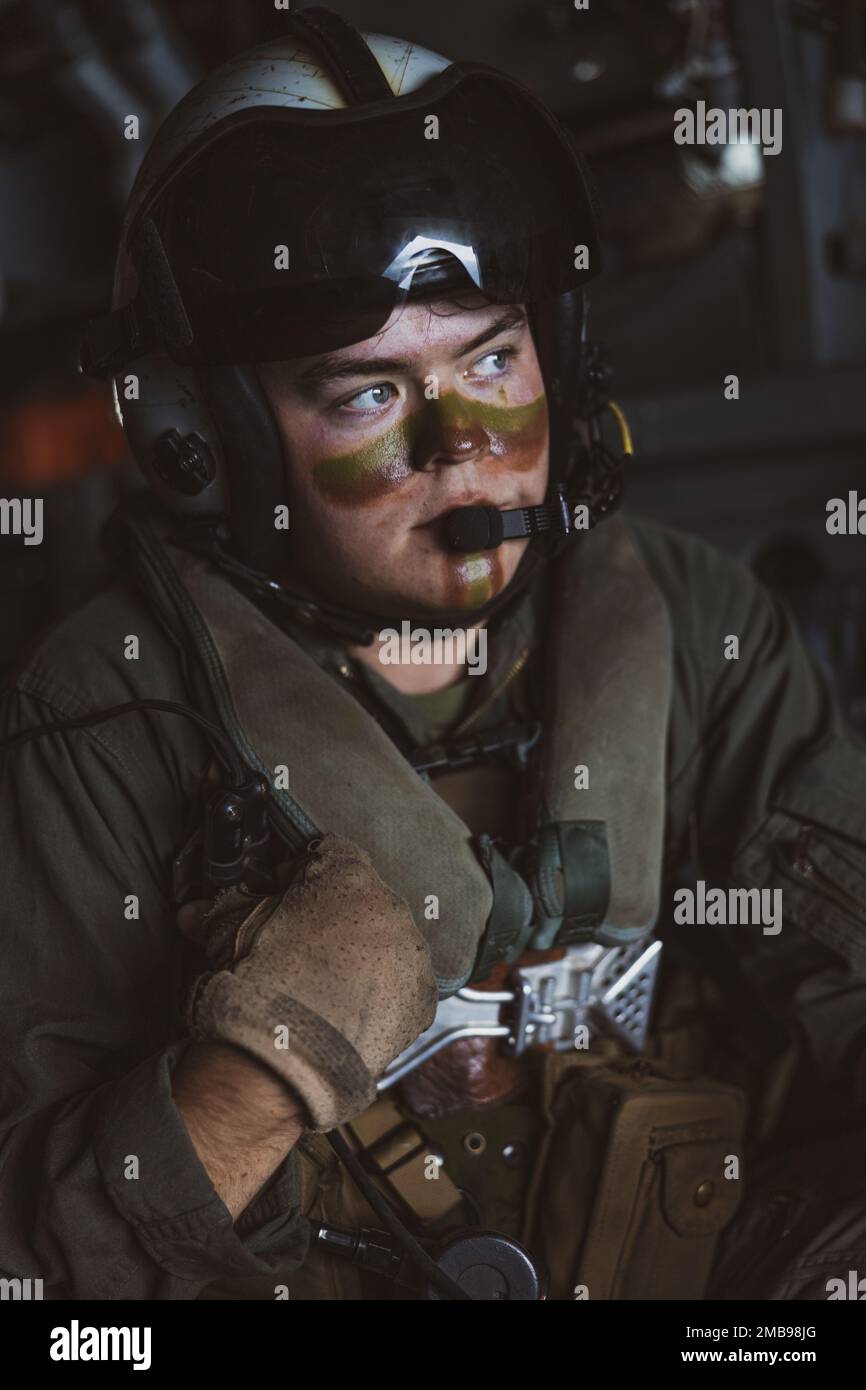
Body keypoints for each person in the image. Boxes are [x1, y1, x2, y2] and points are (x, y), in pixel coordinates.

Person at [2, 7, 865, 1302]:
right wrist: (261, 1074)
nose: (461, 445)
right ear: (208, 439)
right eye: (369, 392)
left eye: (492, 359)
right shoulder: (99, 721)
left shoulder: (692, 620)